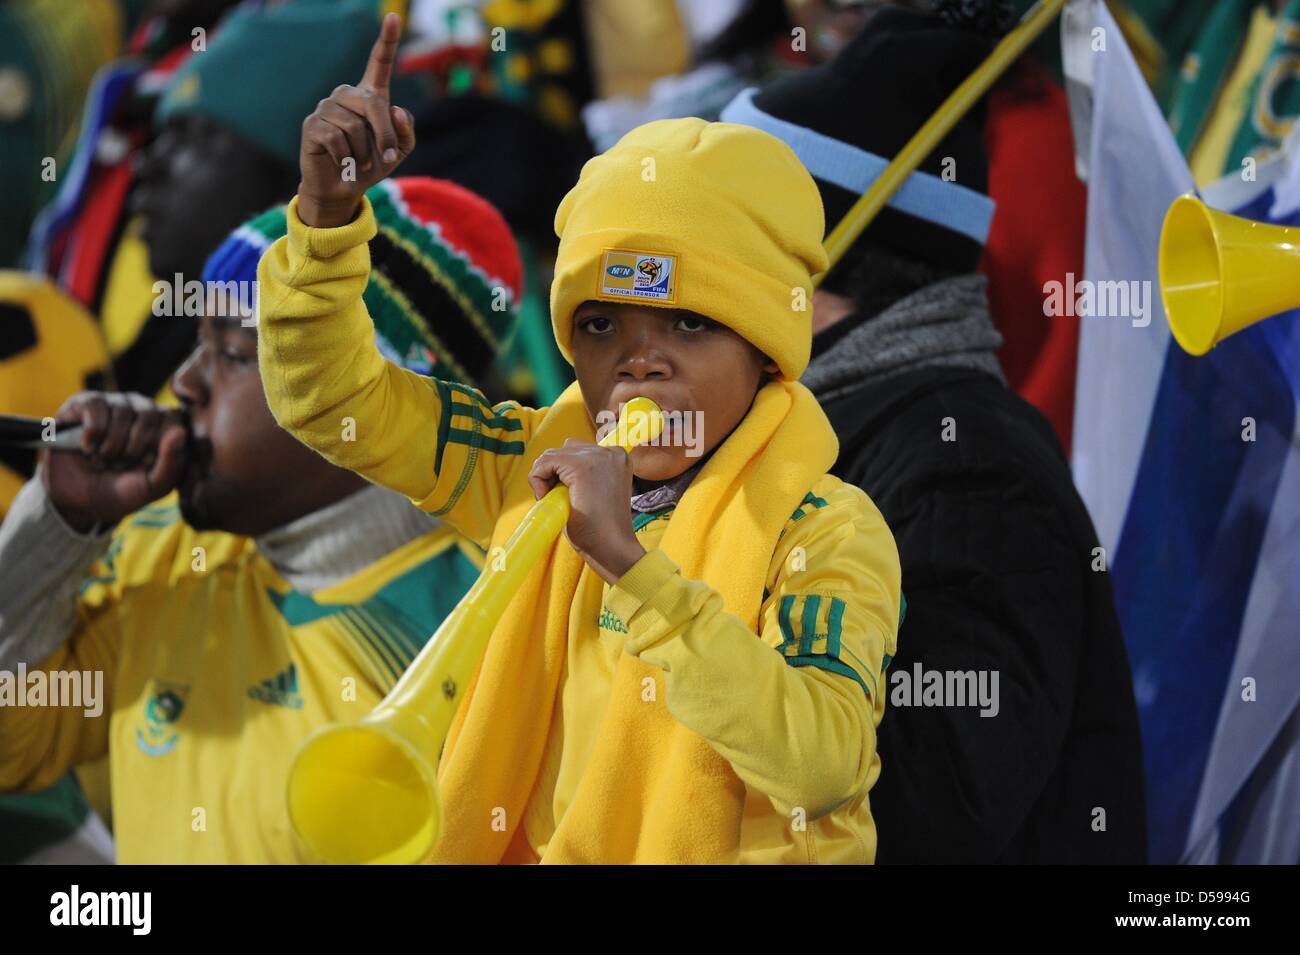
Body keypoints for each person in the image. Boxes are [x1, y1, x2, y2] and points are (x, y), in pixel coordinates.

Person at [256, 14, 901, 864]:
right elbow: (328, 399)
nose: (642, 362)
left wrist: (638, 574)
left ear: (766, 348)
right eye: (600, 325)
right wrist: (326, 219)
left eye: (690, 323)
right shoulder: (525, 468)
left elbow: (822, 762)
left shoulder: (824, 528)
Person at [720, 4, 1147, 862]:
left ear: (811, 258)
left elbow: (937, 797)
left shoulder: (971, 468)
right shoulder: (833, 427)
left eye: (729, 237)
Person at [0, 174, 522, 863]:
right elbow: (14, 748)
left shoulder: (484, 624)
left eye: (234, 355)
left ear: (357, 405)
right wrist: (58, 524)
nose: (184, 382)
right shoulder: (164, 550)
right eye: (197, 346)